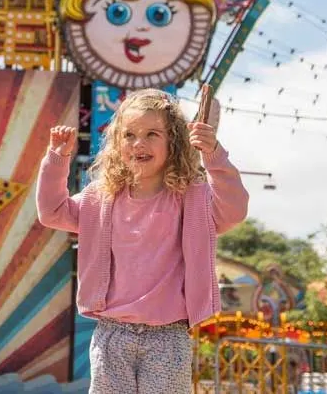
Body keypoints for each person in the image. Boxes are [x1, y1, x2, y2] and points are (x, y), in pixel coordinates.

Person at [36, 88, 250, 394]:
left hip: (168, 337)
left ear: (173, 141)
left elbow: (235, 209)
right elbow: (53, 212)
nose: (139, 143)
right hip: (112, 334)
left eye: (152, 134)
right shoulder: (100, 197)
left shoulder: (191, 197)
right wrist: (57, 159)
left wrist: (213, 154)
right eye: (129, 135)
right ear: (117, 142)